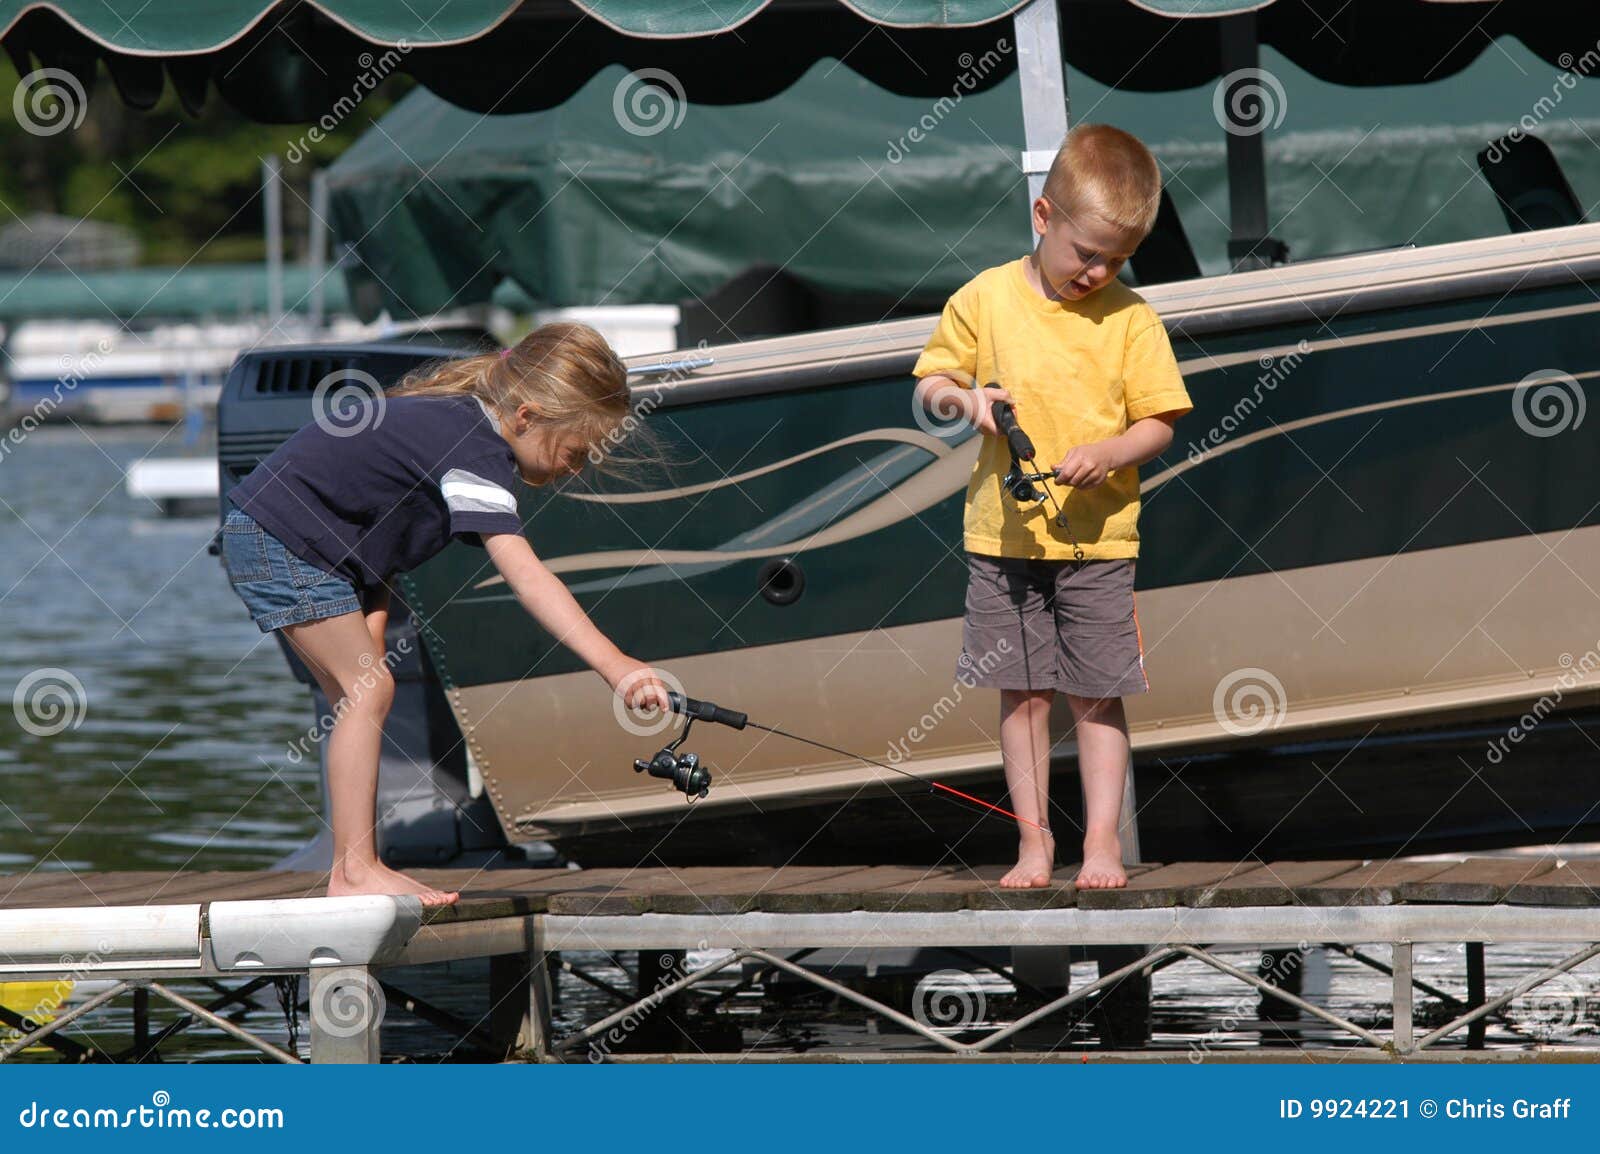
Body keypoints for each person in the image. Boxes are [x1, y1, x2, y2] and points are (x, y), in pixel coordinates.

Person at [221, 322, 669, 906]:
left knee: (362, 693)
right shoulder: (474, 450)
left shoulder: (457, 427)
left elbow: (375, 542)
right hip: (279, 540)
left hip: (296, 544)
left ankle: (358, 866)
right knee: (367, 691)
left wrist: (370, 637)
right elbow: (527, 576)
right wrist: (616, 665)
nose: (577, 467)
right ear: (527, 417)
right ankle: (354, 872)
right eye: (576, 450)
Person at [912, 124, 1193, 890]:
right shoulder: (985, 298)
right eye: (1086, 253)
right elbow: (930, 381)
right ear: (1043, 218)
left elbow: (1159, 422)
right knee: (1023, 696)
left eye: (1116, 259)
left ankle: (1101, 842)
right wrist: (961, 398)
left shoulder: (1131, 318)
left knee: (1096, 697)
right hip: (1001, 542)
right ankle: (1034, 845)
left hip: (1098, 545)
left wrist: (1110, 452)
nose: (1098, 271)